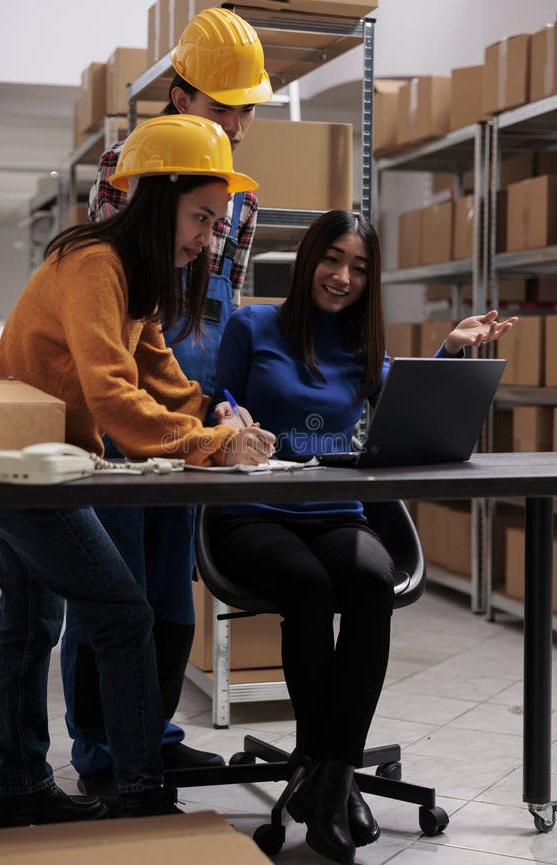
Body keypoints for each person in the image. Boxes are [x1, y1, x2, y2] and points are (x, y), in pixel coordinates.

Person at [0, 115, 275, 829]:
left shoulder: (134, 280)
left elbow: (162, 376)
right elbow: (114, 396)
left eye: (216, 223)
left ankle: (20, 790)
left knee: (29, 629)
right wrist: (211, 446)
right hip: (24, 468)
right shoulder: (95, 264)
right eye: (200, 218)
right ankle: (141, 794)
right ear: (159, 197)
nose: (208, 238)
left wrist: (218, 416)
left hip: (32, 463)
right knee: (120, 614)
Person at [210, 209, 517, 865]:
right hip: (251, 511)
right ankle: (329, 775)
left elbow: (408, 411)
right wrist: (227, 420)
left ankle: (329, 775)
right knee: (306, 584)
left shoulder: (361, 345)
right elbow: (214, 403)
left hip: (336, 514)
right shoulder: (251, 325)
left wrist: (449, 350)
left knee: (371, 579)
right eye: (333, 259)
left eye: (358, 267)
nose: (342, 276)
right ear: (308, 259)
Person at [61, 6, 274, 800]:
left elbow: (224, 306)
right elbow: (115, 306)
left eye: (248, 110)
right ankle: (100, 749)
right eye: (225, 107)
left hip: (189, 412)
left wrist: (219, 408)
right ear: (181, 97)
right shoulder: (129, 170)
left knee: (168, 589)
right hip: (123, 411)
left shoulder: (239, 196)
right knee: (110, 585)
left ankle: (152, 737)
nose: (239, 126)